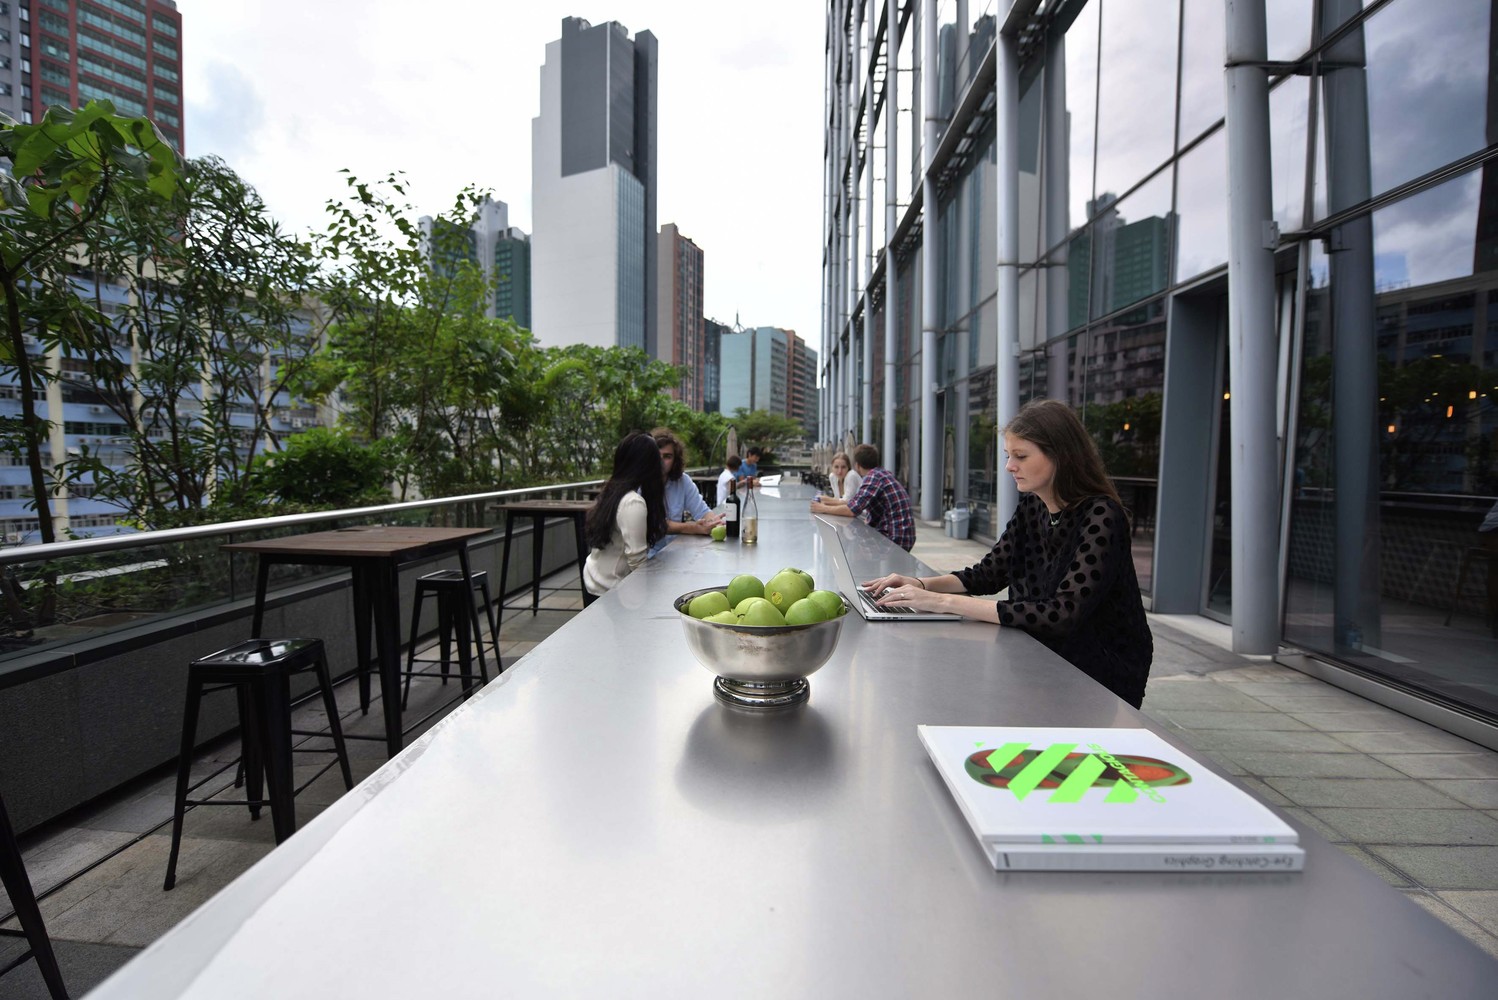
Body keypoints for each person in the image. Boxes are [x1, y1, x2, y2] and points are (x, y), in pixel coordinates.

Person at [862, 399, 1153, 707]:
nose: (1009, 466)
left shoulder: (1102, 516)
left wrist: (944, 603)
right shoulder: (1033, 505)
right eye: (1008, 455)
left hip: (1101, 667)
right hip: (1045, 652)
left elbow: (1062, 614)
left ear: (1061, 456)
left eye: (1021, 456)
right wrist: (920, 585)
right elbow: (988, 574)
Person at [582, 432, 668, 598]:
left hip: (594, 582)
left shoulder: (613, 492)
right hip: (610, 592)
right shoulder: (632, 503)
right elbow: (637, 562)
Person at [810, 443, 915, 551]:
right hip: (903, 535)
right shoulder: (882, 474)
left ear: (857, 465)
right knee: (858, 545)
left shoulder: (874, 478)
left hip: (895, 539)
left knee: (856, 554)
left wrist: (823, 509)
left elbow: (851, 509)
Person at [652, 428, 724, 538]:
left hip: (674, 549)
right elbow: (654, 523)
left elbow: (702, 511)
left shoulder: (682, 481)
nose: (661, 460)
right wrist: (692, 527)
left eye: (667, 456)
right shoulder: (639, 483)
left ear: (675, 460)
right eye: (657, 455)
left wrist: (714, 522)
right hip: (648, 553)